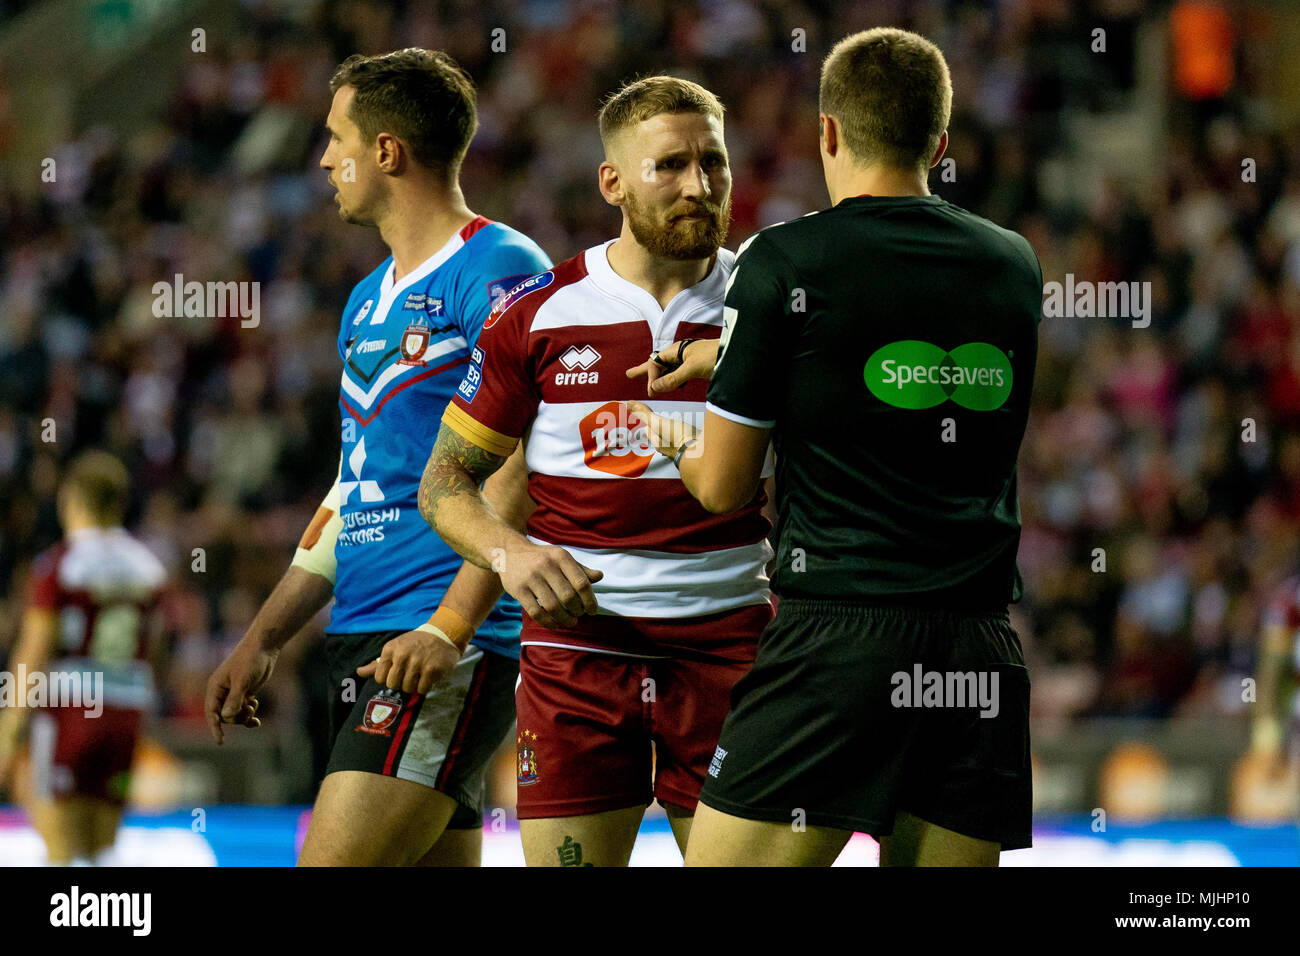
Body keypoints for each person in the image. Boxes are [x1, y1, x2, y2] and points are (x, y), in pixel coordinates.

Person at [629, 27, 1040, 866]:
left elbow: (724, 486)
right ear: (940, 144)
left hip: (839, 645)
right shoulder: (1014, 263)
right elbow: (904, 368)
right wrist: (743, 358)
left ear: (827, 131)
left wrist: (672, 435)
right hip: (978, 651)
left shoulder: (784, 259)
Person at [203, 49, 550, 867]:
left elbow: (524, 465)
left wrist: (449, 629)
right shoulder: (365, 301)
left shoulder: (501, 269)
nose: (325, 159)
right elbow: (351, 488)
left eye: (337, 138)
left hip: (437, 637)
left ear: (387, 151)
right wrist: (265, 637)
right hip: (363, 633)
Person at [419, 76, 775, 866]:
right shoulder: (538, 313)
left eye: (713, 162)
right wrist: (511, 554)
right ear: (612, 182)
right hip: (576, 662)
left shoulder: (769, 304)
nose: (699, 186)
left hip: (732, 654)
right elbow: (443, 485)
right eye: (669, 166)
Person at [0, 451, 167, 865]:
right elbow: (155, 648)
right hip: (126, 711)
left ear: (70, 499)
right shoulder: (149, 567)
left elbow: (34, 649)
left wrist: (10, 730)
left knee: (58, 843)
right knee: (102, 849)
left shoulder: (61, 563)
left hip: (71, 708)